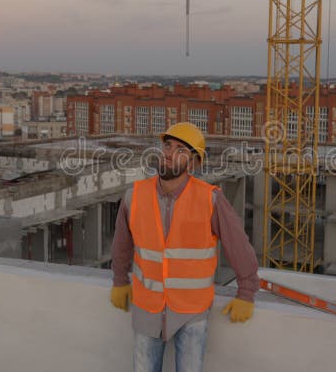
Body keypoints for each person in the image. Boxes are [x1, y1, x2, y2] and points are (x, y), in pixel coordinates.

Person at [110, 122, 260, 372]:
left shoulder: (210, 199)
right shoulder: (134, 196)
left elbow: (238, 245)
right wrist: (119, 280)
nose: (169, 153)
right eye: (168, 145)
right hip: (147, 308)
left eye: (181, 150)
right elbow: (122, 243)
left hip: (192, 313)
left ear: (193, 163)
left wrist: (246, 291)